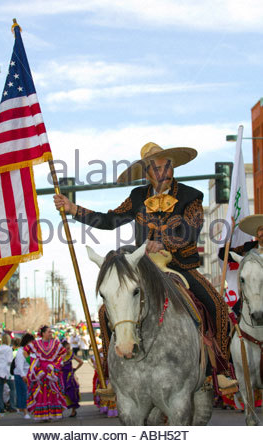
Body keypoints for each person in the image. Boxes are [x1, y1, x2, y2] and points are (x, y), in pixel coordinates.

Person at [54, 141, 236, 390]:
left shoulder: (191, 196)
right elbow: (110, 220)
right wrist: (74, 209)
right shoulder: (137, 197)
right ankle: (110, 371)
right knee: (105, 312)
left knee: (216, 305)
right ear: (147, 173)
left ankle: (222, 369)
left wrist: (162, 242)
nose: (163, 172)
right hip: (144, 267)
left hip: (181, 265)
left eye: (166, 166)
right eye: (156, 168)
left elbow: (192, 230)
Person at [24, 325, 67, 421]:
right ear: (43, 333)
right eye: (49, 332)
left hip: (51, 372)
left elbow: (64, 352)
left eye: (51, 332)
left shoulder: (55, 343)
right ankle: (43, 415)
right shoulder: (36, 343)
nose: (50, 333)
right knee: (41, 393)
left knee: (52, 392)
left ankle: (51, 414)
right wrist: (33, 363)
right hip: (41, 373)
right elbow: (25, 351)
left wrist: (56, 364)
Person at [13, 333, 34, 419]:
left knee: (27, 393)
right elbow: (19, 366)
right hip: (21, 375)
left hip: (28, 375)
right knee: (23, 393)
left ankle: (26, 409)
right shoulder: (20, 352)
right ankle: (24, 411)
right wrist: (23, 376)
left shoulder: (30, 351)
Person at [0, 333, 16, 413]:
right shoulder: (9, 349)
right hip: (7, 371)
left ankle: (1, 407)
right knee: (12, 389)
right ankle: (12, 406)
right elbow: (10, 360)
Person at [61, 340, 83, 417]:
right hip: (62, 377)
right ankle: (61, 411)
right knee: (62, 394)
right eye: (67, 348)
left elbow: (81, 362)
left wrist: (75, 369)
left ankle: (73, 411)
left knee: (72, 392)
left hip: (70, 377)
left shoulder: (71, 354)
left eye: (69, 348)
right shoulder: (59, 356)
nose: (68, 350)